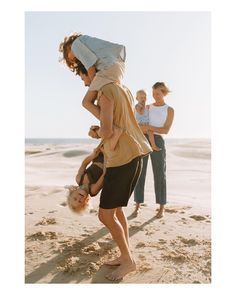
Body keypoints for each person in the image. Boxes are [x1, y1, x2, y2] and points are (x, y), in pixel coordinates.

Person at [60, 38, 152, 279]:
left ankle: (129, 261)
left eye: (83, 78)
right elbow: (115, 125)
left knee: (105, 214)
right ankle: (125, 255)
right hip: (133, 154)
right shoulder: (122, 88)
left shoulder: (105, 91)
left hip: (123, 158)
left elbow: (109, 131)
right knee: (117, 210)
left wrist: (97, 124)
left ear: (90, 73)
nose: (85, 83)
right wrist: (98, 130)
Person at [133, 82, 174, 218]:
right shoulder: (148, 107)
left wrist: (149, 127)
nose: (155, 96)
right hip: (143, 140)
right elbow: (138, 122)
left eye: (158, 93)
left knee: (160, 174)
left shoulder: (169, 110)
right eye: (153, 93)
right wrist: (145, 128)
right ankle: (137, 206)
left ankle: (161, 207)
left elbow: (166, 130)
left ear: (164, 93)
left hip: (158, 141)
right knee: (140, 173)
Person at [59, 32, 126, 113]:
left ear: (67, 49)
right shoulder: (86, 41)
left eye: (71, 60)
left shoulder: (75, 46)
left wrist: (94, 87)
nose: (75, 60)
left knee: (86, 102)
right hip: (119, 67)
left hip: (109, 68)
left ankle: (107, 123)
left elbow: (91, 67)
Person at [65, 141, 106, 214]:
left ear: (72, 192)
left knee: (104, 138)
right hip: (108, 162)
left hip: (98, 156)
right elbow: (104, 175)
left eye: (75, 198)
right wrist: (106, 155)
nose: (79, 198)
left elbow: (84, 164)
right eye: (80, 201)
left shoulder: (79, 179)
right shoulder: (93, 190)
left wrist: (93, 155)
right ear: (86, 201)